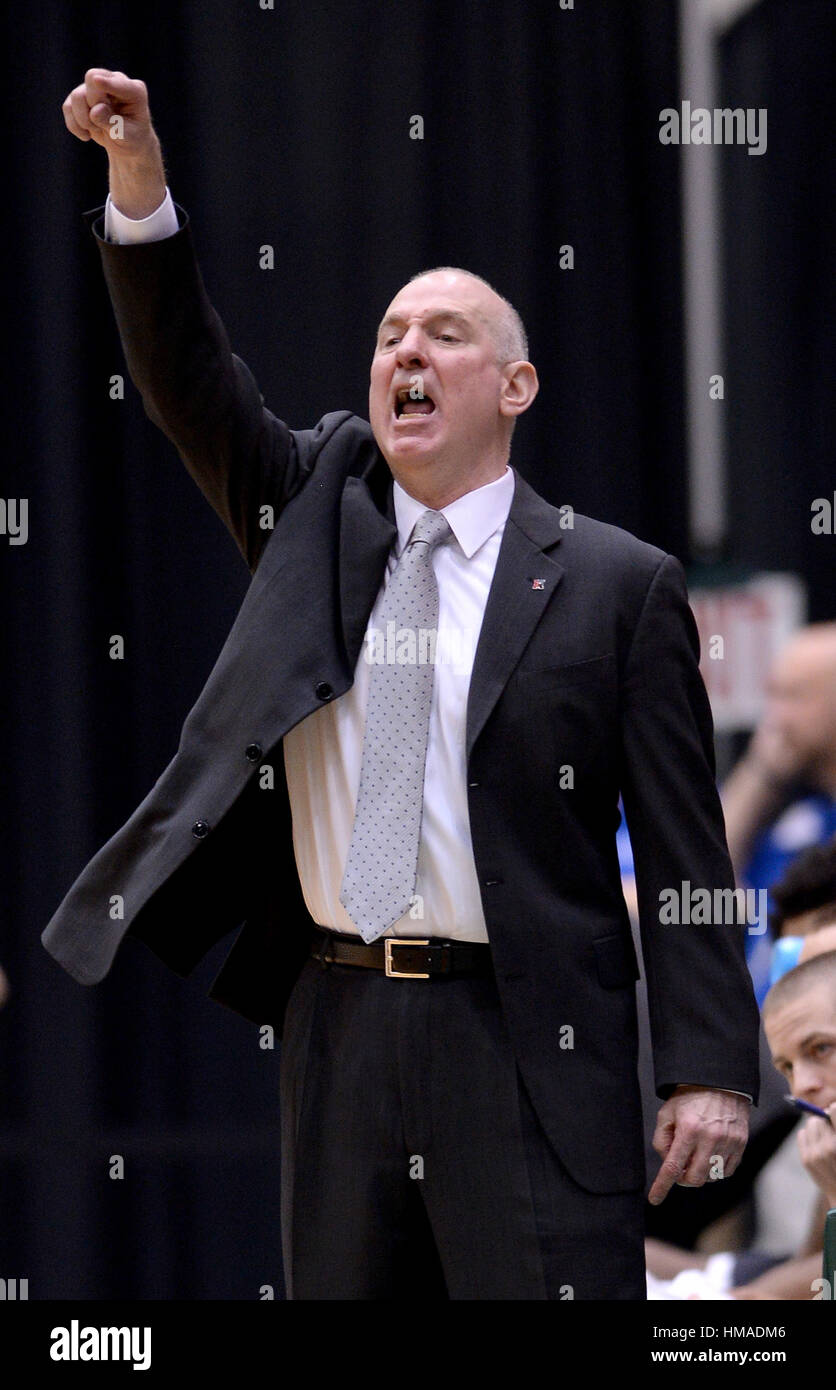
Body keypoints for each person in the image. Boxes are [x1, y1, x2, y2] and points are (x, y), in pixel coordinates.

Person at [43, 68, 760, 1300]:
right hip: (340, 1020)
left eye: (442, 334)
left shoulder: (613, 582)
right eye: (387, 337)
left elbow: (687, 851)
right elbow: (186, 380)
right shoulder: (313, 506)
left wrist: (706, 1064)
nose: (405, 352)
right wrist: (139, 186)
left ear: (513, 387)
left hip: (529, 1038)